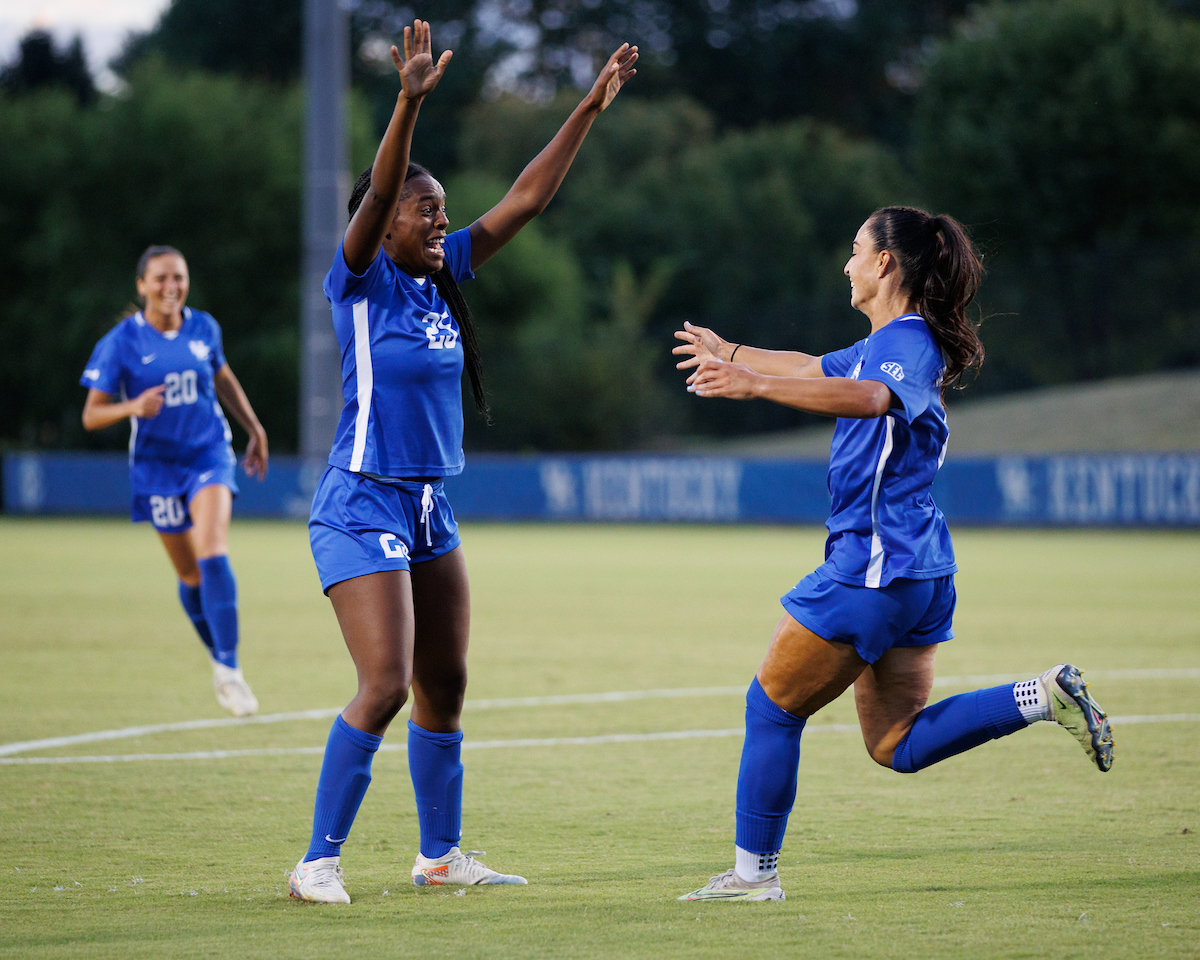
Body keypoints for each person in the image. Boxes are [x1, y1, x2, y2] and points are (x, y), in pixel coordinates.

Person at [287, 20, 638, 905]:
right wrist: (406, 102)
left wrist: (587, 109)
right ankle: (316, 862)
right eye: (425, 208)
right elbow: (369, 206)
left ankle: (439, 856)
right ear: (385, 218)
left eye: (444, 208)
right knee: (385, 685)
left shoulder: (444, 274)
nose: (441, 218)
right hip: (362, 499)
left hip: (430, 507)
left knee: (446, 684)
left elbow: (523, 200)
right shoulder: (359, 278)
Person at [672, 205, 1114, 902]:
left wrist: (755, 386)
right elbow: (818, 368)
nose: (845, 264)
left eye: (854, 251)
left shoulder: (903, 346)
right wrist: (733, 353)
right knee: (895, 744)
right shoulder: (892, 342)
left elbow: (872, 396)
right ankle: (1040, 696)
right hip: (920, 570)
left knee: (773, 707)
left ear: (884, 263)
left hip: (873, 567)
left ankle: (754, 877)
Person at [80, 245, 268, 717]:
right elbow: (91, 415)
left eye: (178, 278)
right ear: (142, 285)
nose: (171, 287)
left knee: (212, 552)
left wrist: (255, 428)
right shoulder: (122, 342)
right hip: (156, 468)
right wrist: (131, 407)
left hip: (207, 454)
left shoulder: (204, 327)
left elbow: (223, 379)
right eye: (161, 279)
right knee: (189, 576)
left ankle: (229, 670)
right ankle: (220, 658)